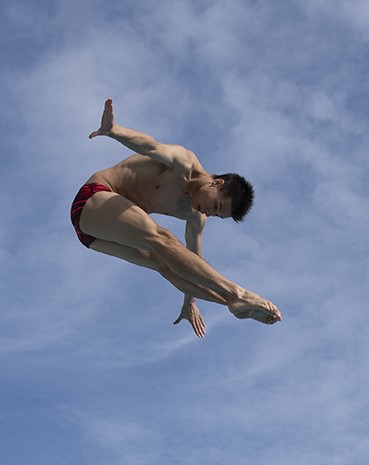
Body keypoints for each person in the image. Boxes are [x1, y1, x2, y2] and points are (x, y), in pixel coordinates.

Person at [71, 98, 281, 338]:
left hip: (93, 236)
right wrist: (115, 131)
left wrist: (189, 303)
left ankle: (231, 303)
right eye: (216, 205)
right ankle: (238, 294)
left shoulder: (194, 217)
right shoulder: (183, 163)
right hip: (94, 199)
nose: (209, 213)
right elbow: (149, 145)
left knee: (163, 262)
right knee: (161, 239)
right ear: (217, 183)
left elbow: (192, 262)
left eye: (216, 215)